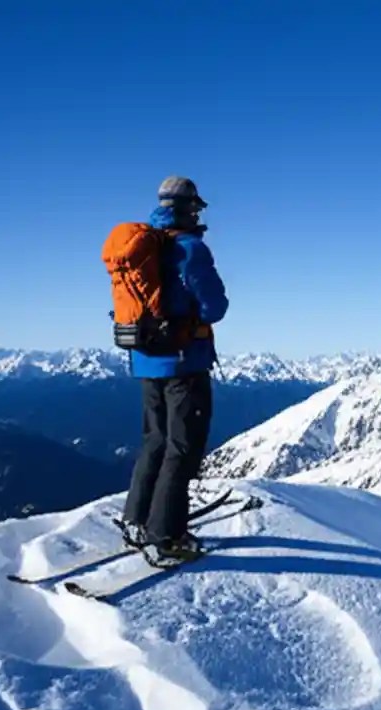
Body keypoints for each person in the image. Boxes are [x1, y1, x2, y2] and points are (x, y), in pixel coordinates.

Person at [119, 176, 229, 566]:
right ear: (189, 208)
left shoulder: (146, 249)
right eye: (196, 207)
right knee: (182, 448)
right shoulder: (190, 249)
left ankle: (136, 521)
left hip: (146, 360)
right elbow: (215, 306)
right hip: (184, 362)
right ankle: (166, 537)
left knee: (155, 440)